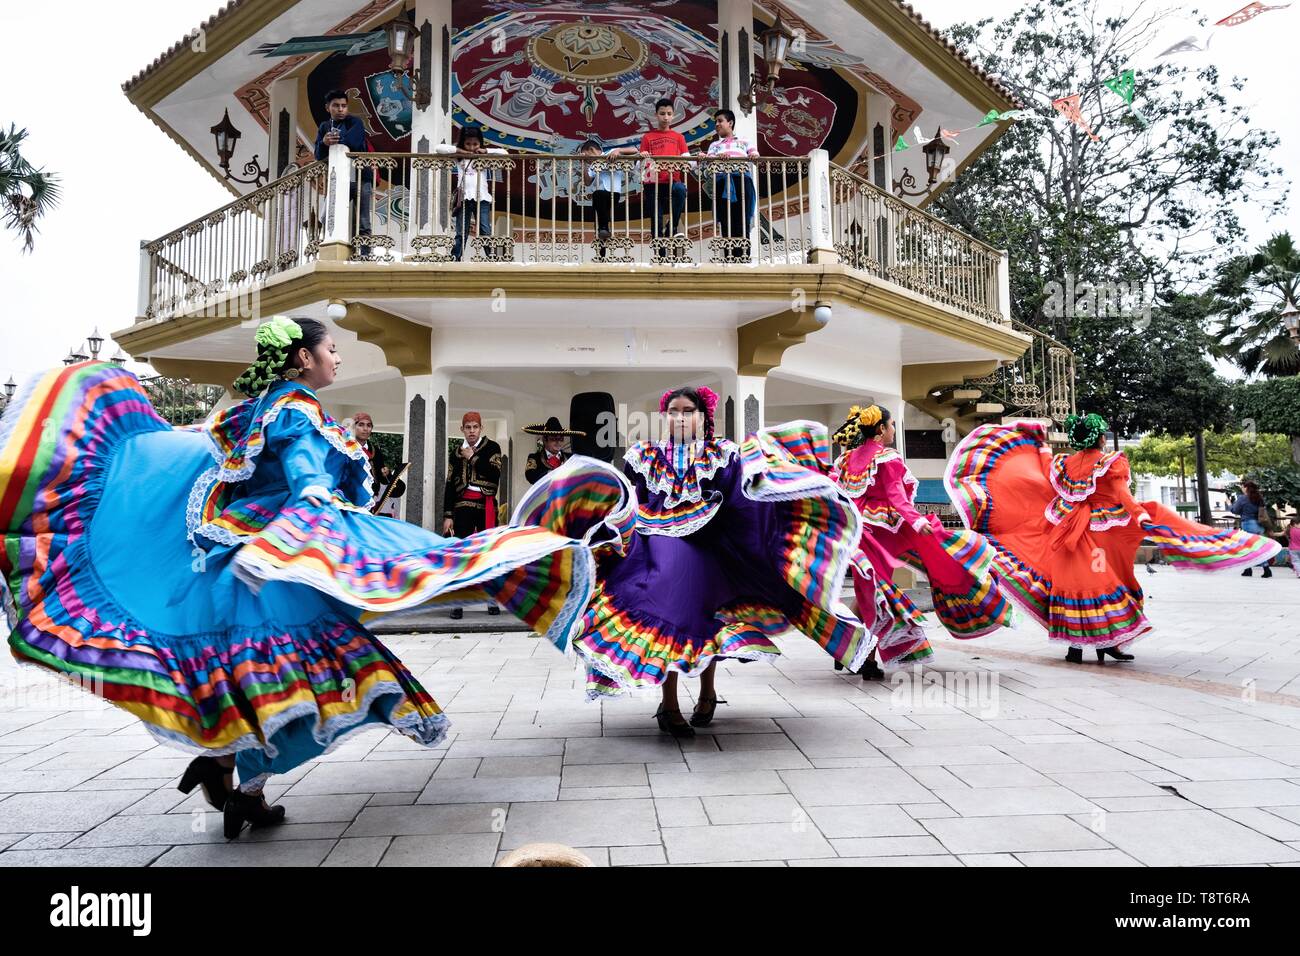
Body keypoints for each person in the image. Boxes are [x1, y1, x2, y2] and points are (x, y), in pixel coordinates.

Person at [0, 317, 611, 838]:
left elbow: (218, 464)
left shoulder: (257, 408)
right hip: (273, 560)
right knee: (304, 665)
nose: (339, 358)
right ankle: (241, 784)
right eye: (332, 350)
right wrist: (294, 541)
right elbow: (307, 484)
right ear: (303, 358)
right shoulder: (297, 413)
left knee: (246, 667)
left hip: (245, 555)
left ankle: (226, 769)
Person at [512, 386, 871, 735]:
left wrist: (765, 530)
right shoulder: (645, 453)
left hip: (711, 546)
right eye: (673, 412)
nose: (680, 418)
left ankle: (707, 693)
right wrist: (612, 530)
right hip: (659, 544)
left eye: (688, 412)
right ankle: (669, 704)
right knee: (668, 610)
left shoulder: (722, 453)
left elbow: (742, 499)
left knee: (709, 617)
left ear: (703, 418)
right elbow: (634, 500)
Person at [945, 413, 1281, 663]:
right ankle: (1108, 643)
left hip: (1067, 530)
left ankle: (1078, 648)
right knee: (1113, 582)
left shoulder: (1064, 463)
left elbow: (1046, 464)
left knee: (1074, 583)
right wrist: (1143, 515)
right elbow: (1122, 495)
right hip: (1103, 531)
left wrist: (1039, 441)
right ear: (1101, 439)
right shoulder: (1109, 462)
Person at [831, 404, 1013, 678]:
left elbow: (844, 495)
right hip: (881, 534)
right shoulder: (886, 457)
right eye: (891, 425)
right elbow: (896, 497)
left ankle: (847, 650)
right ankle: (866, 660)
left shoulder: (848, 459)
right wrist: (917, 521)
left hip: (856, 531)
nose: (893, 430)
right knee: (876, 594)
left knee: (866, 588)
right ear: (880, 429)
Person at [442, 411, 505, 618]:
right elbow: (450, 485)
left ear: (481, 428)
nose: (471, 431)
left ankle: (491, 599)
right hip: (463, 507)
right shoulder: (456, 452)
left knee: (488, 553)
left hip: (486, 504)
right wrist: (448, 514)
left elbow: (495, 473)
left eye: (475, 427)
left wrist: (474, 458)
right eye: (467, 427)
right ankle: (458, 602)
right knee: (462, 554)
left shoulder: (493, 447)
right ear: (462, 429)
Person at [435, 125, 508, 261]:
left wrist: (485, 151)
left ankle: (491, 256)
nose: (472, 147)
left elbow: (504, 153)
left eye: (475, 144)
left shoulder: (483, 157)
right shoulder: (459, 157)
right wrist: (460, 150)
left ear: (480, 144)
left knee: (485, 229)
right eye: (468, 144)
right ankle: (456, 257)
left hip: (483, 199)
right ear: (463, 143)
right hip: (464, 198)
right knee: (461, 231)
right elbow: (439, 148)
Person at [314, 89, 372, 255]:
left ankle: (365, 254)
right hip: (338, 179)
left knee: (363, 221)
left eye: (344, 106)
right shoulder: (324, 126)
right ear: (328, 108)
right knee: (328, 215)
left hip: (361, 176)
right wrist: (324, 142)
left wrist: (332, 140)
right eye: (336, 106)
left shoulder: (355, 122)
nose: (340, 109)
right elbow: (318, 155)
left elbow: (353, 142)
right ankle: (336, 248)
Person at [706, 109, 759, 262]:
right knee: (726, 220)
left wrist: (753, 156)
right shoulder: (714, 145)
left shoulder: (744, 140)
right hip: (722, 183)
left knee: (742, 219)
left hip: (741, 181)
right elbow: (709, 162)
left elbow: (754, 155)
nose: (717, 124)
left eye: (720, 121)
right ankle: (730, 258)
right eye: (716, 122)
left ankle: (744, 257)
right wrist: (717, 157)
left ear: (730, 123)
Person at [578, 136, 640, 256]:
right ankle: (602, 250)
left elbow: (635, 150)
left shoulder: (611, 152)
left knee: (599, 203)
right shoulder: (591, 165)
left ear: (591, 149)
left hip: (612, 194)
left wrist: (619, 151)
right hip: (599, 197)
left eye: (586, 155)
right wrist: (583, 164)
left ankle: (604, 230)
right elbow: (587, 182)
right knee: (599, 218)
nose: (587, 159)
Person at [639, 98, 690, 240]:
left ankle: (672, 226)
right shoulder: (647, 137)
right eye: (662, 113)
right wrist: (643, 156)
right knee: (656, 219)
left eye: (669, 113)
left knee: (680, 190)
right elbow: (640, 164)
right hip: (652, 182)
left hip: (672, 180)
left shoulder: (679, 137)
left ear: (673, 115)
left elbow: (688, 159)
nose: (666, 117)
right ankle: (659, 255)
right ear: (656, 115)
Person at [350, 412, 404, 516]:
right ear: (353, 427)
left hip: (371, 502)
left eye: (369, 425)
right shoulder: (345, 447)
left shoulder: (375, 451)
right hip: (350, 500)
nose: (365, 429)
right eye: (361, 425)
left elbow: (382, 479)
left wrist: (386, 474)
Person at [1231, 481, 1274, 578]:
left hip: (1248, 525)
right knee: (1258, 547)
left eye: (1242, 487)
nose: (1241, 488)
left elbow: (1235, 510)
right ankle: (1263, 569)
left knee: (1247, 548)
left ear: (1246, 488)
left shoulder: (1242, 498)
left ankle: (1249, 570)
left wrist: (1230, 504)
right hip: (1259, 525)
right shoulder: (1259, 497)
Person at [523, 416, 584, 484]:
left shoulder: (570, 458)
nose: (558, 442)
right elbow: (530, 476)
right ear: (545, 440)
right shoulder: (535, 457)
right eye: (554, 439)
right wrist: (552, 473)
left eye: (561, 439)